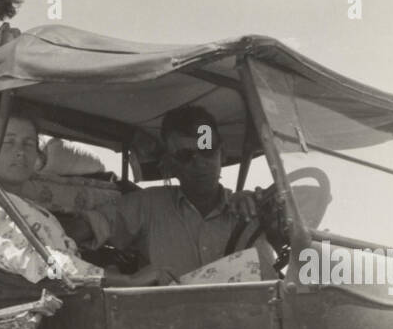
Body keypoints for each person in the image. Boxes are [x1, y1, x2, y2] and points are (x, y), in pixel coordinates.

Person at [98, 105, 278, 284]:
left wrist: (269, 215)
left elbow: (291, 243)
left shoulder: (251, 208)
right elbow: (82, 236)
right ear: (170, 164)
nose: (199, 162)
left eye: (206, 150)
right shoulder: (145, 206)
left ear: (222, 153)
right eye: (185, 155)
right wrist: (126, 280)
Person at [0, 111, 104, 288]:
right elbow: (37, 263)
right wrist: (109, 278)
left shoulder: (27, 205)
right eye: (8, 142)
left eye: (28, 144)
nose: (20, 152)